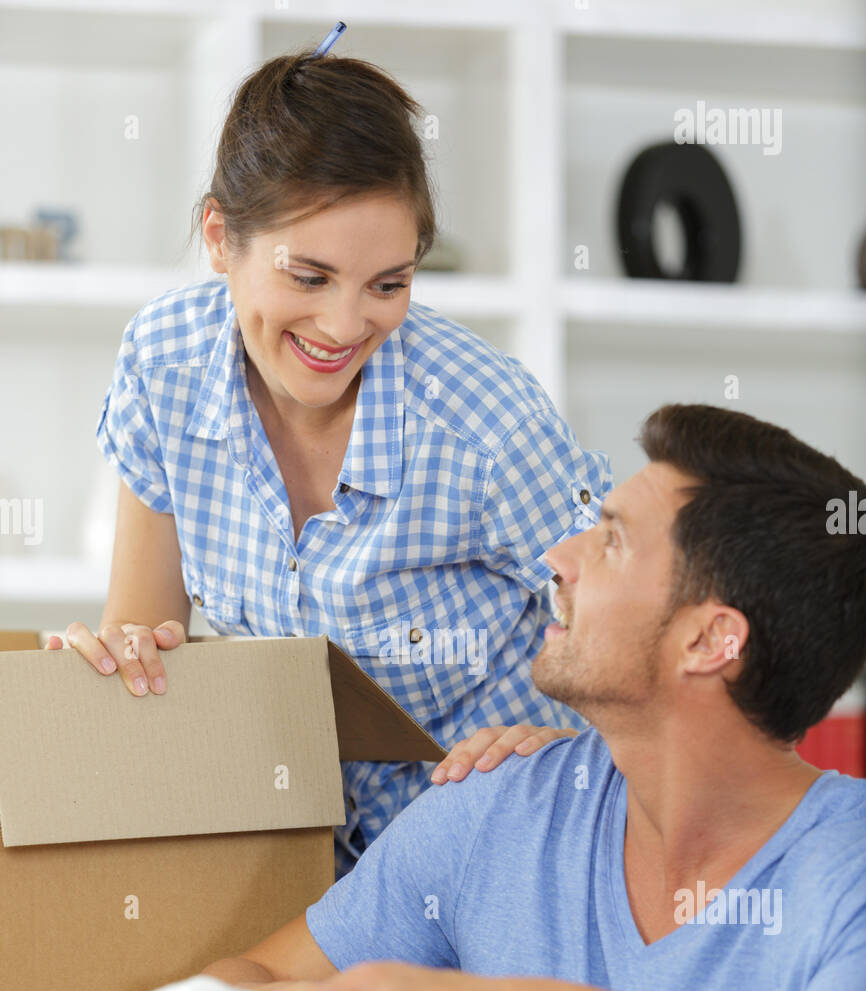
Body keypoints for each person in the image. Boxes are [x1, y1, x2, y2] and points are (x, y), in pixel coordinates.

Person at [201, 403, 866, 991]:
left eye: (613, 541)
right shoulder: (496, 807)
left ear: (712, 639)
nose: (558, 558)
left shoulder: (847, 858)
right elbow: (235, 986)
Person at [44, 47, 608, 878]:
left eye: (389, 283)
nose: (345, 327)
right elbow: (146, 635)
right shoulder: (163, 365)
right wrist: (113, 663)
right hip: (298, 843)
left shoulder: (481, 420)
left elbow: (640, 642)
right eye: (309, 276)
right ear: (218, 238)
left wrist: (569, 746)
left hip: (502, 841)